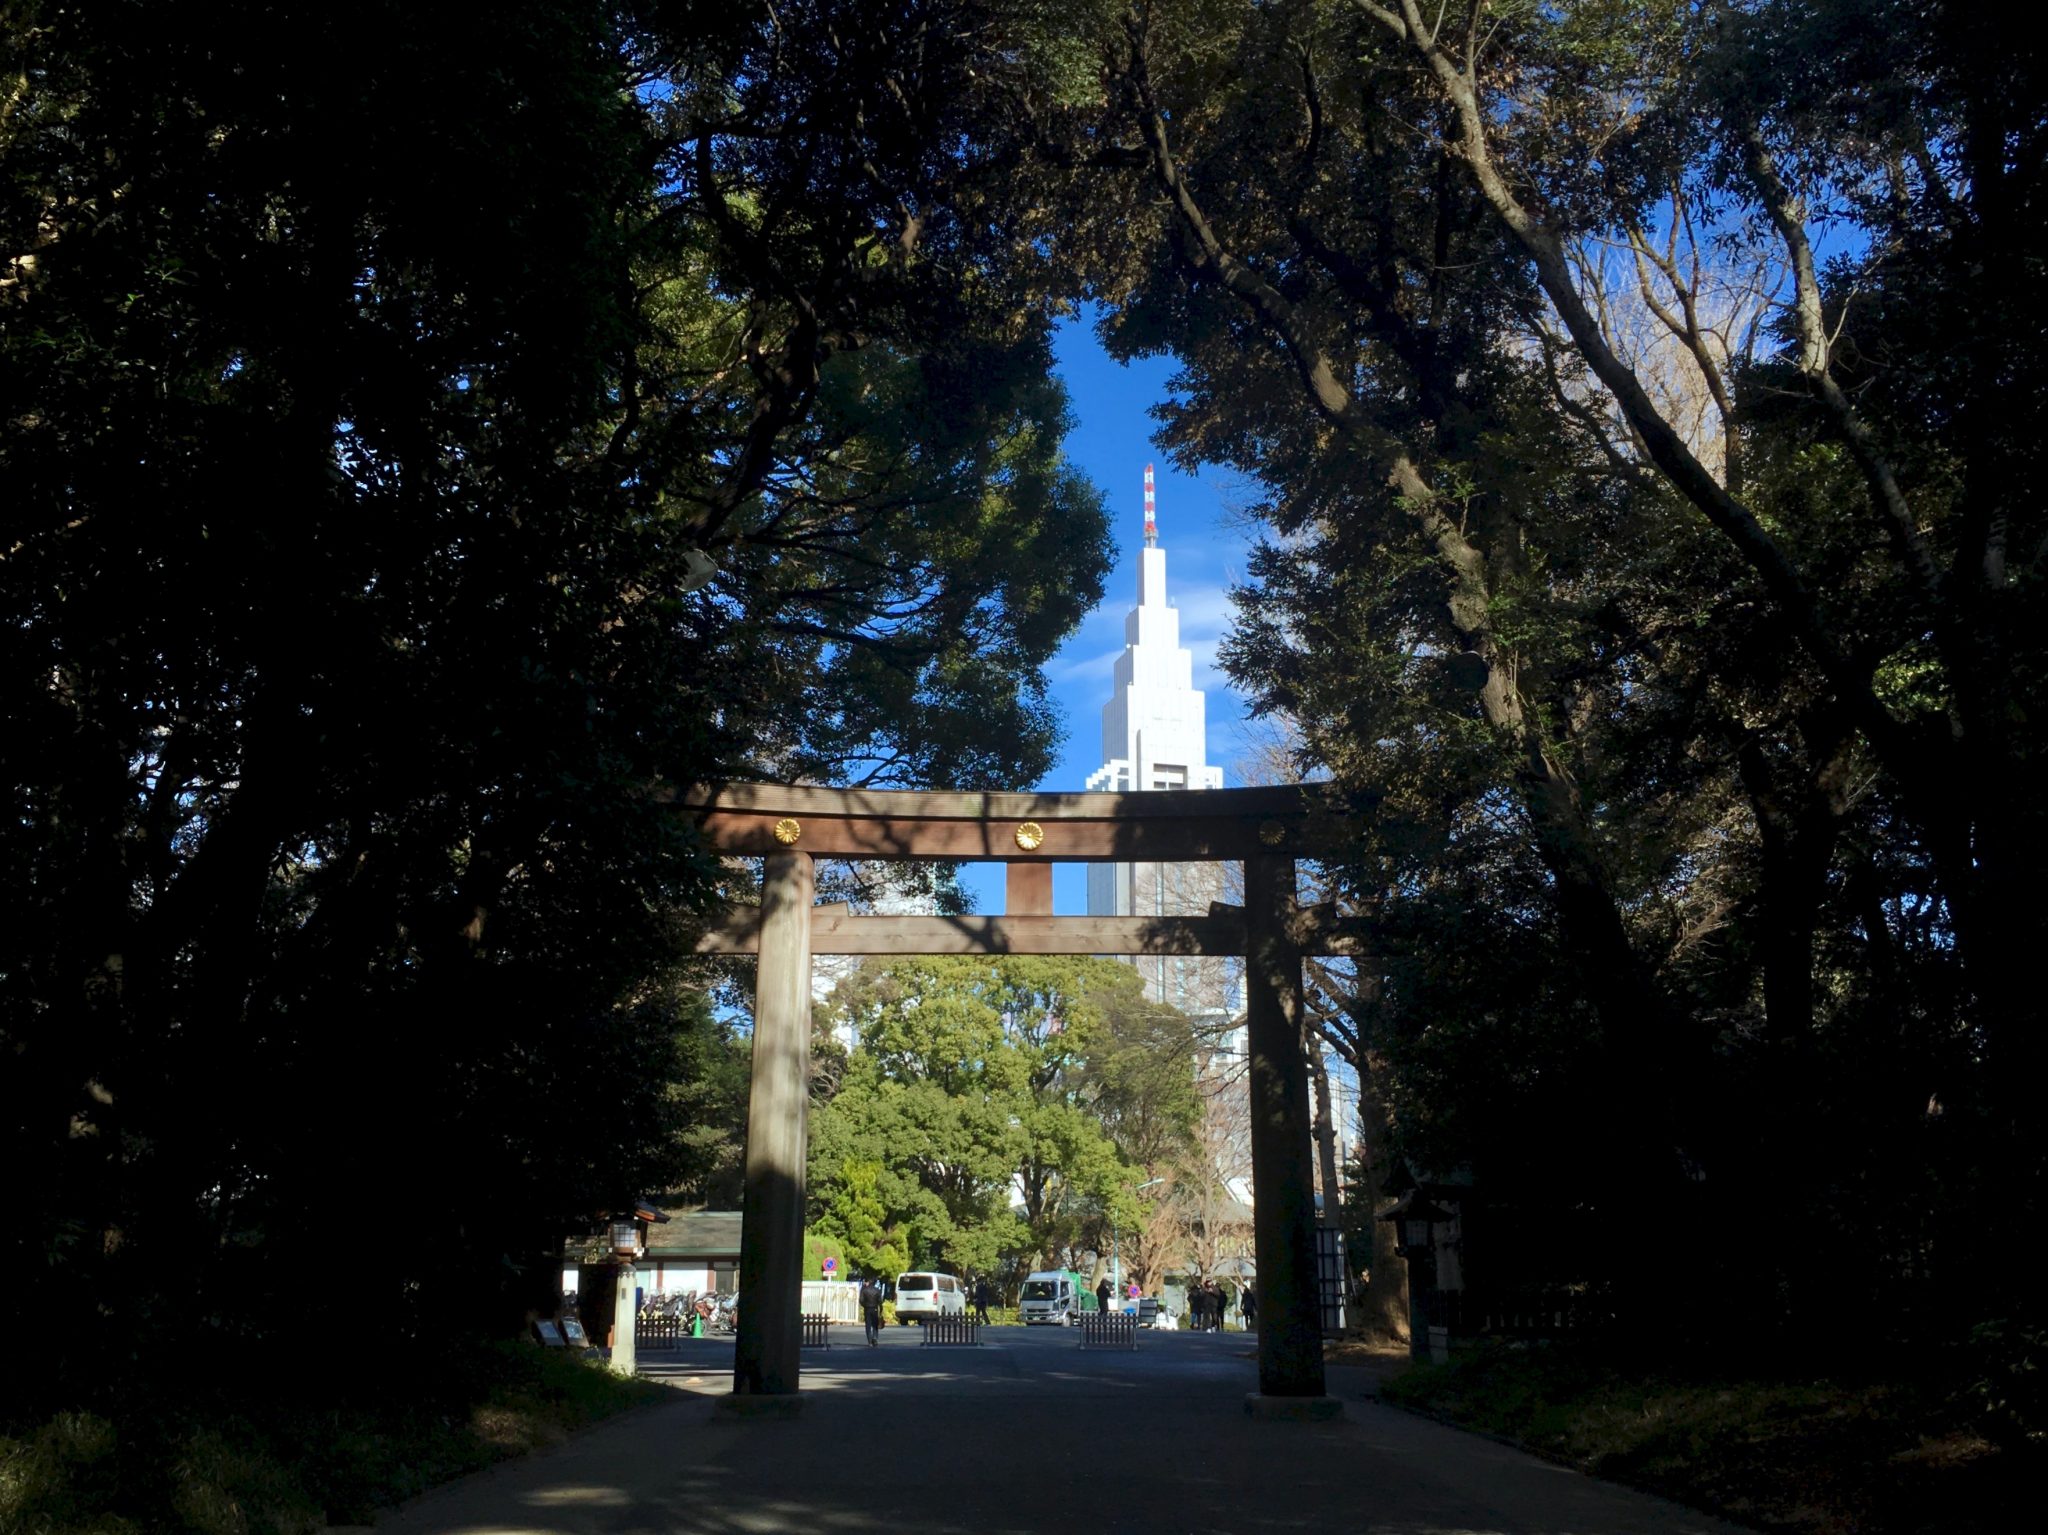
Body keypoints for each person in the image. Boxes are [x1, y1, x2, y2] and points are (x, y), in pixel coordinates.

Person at [859, 1274, 884, 1346]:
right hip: (875, 1308)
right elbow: (880, 1301)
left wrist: (865, 1306)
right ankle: (874, 1338)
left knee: (868, 1325)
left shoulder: (864, 1290)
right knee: (875, 1324)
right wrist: (881, 1309)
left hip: (867, 1309)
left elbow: (861, 1300)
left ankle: (869, 1341)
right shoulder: (877, 1290)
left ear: (869, 1282)